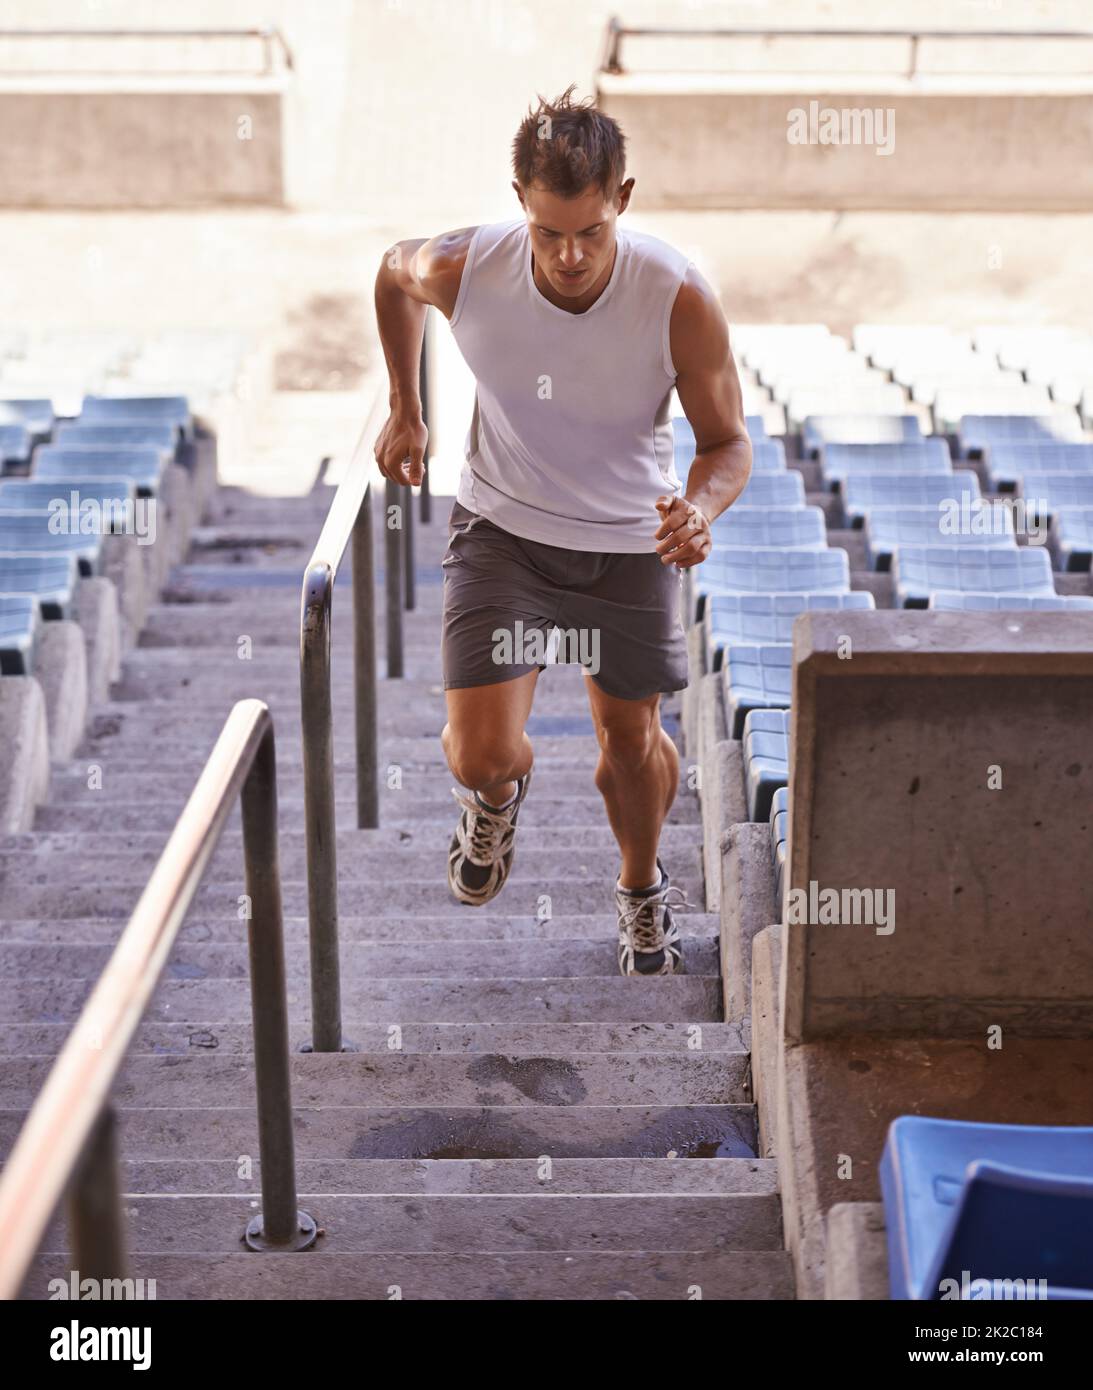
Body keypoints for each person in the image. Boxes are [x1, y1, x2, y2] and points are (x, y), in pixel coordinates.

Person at [373, 86, 751, 976]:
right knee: (481, 751)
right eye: (549, 232)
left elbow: (728, 445)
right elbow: (390, 274)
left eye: (590, 230)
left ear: (622, 198)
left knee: (629, 743)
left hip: (628, 541)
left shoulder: (678, 297)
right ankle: (493, 803)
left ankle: (638, 887)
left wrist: (699, 510)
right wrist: (405, 410)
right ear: (519, 202)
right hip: (504, 527)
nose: (570, 254)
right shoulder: (464, 265)